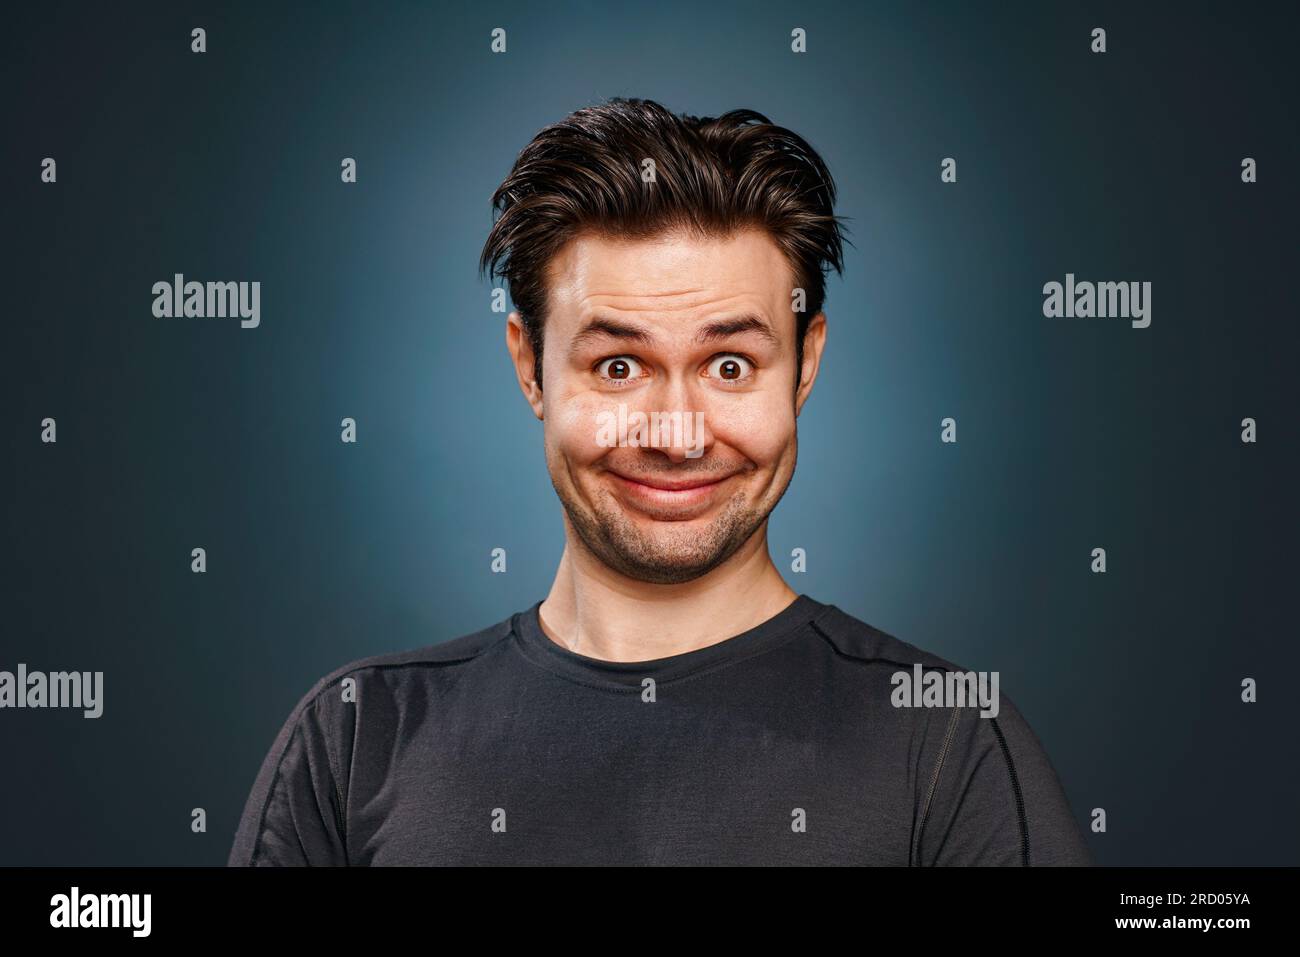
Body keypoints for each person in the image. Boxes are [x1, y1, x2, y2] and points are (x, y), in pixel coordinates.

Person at [228, 97, 1091, 866]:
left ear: (806, 363)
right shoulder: (352, 739)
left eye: (728, 364)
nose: (677, 432)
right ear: (530, 368)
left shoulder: (946, 748)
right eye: (616, 365)